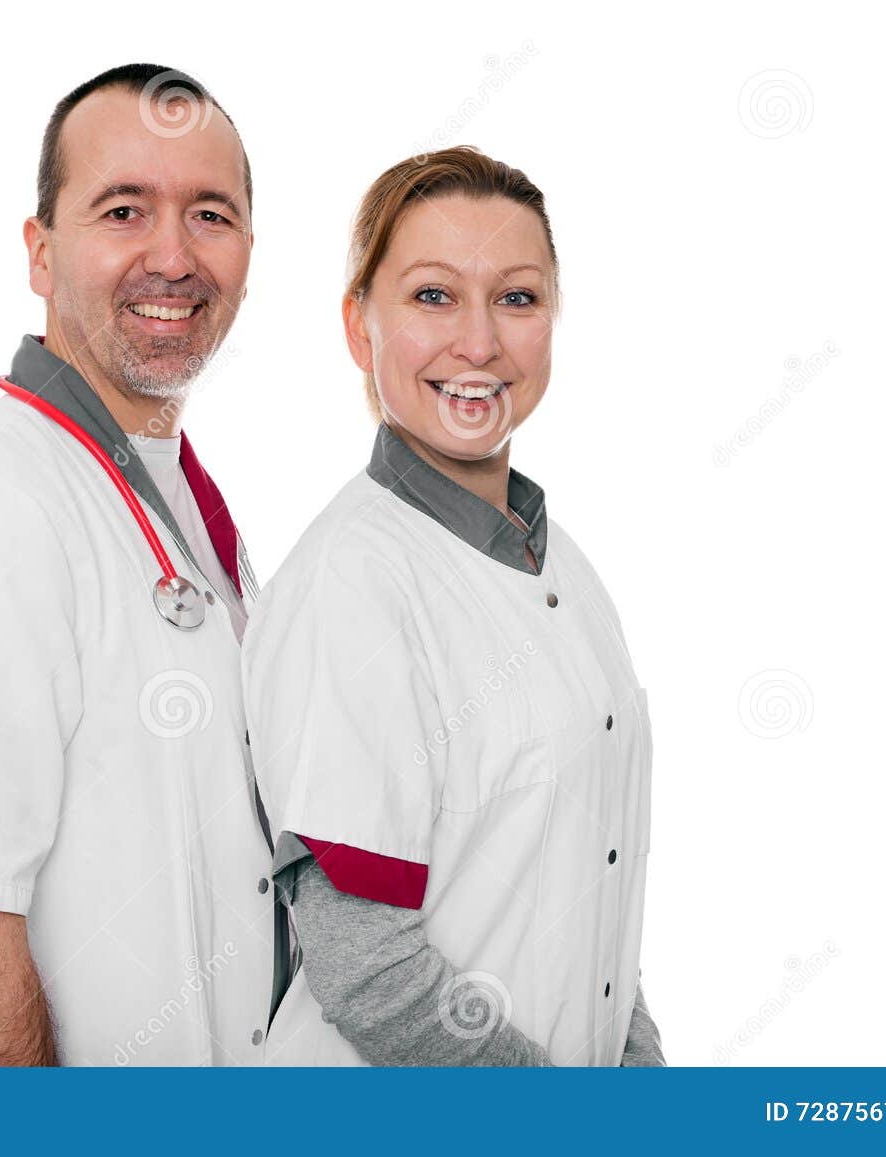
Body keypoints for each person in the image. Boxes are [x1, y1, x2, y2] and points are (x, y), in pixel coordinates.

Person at [0, 63, 287, 1066]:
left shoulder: (178, 503)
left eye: (211, 214)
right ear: (41, 253)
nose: (173, 256)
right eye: (124, 210)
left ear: (248, 253)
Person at [243, 146, 664, 1066]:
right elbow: (371, 974)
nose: (478, 343)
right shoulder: (350, 585)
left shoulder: (565, 566)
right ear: (359, 327)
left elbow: (590, 896)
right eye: (433, 295)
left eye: (517, 297)